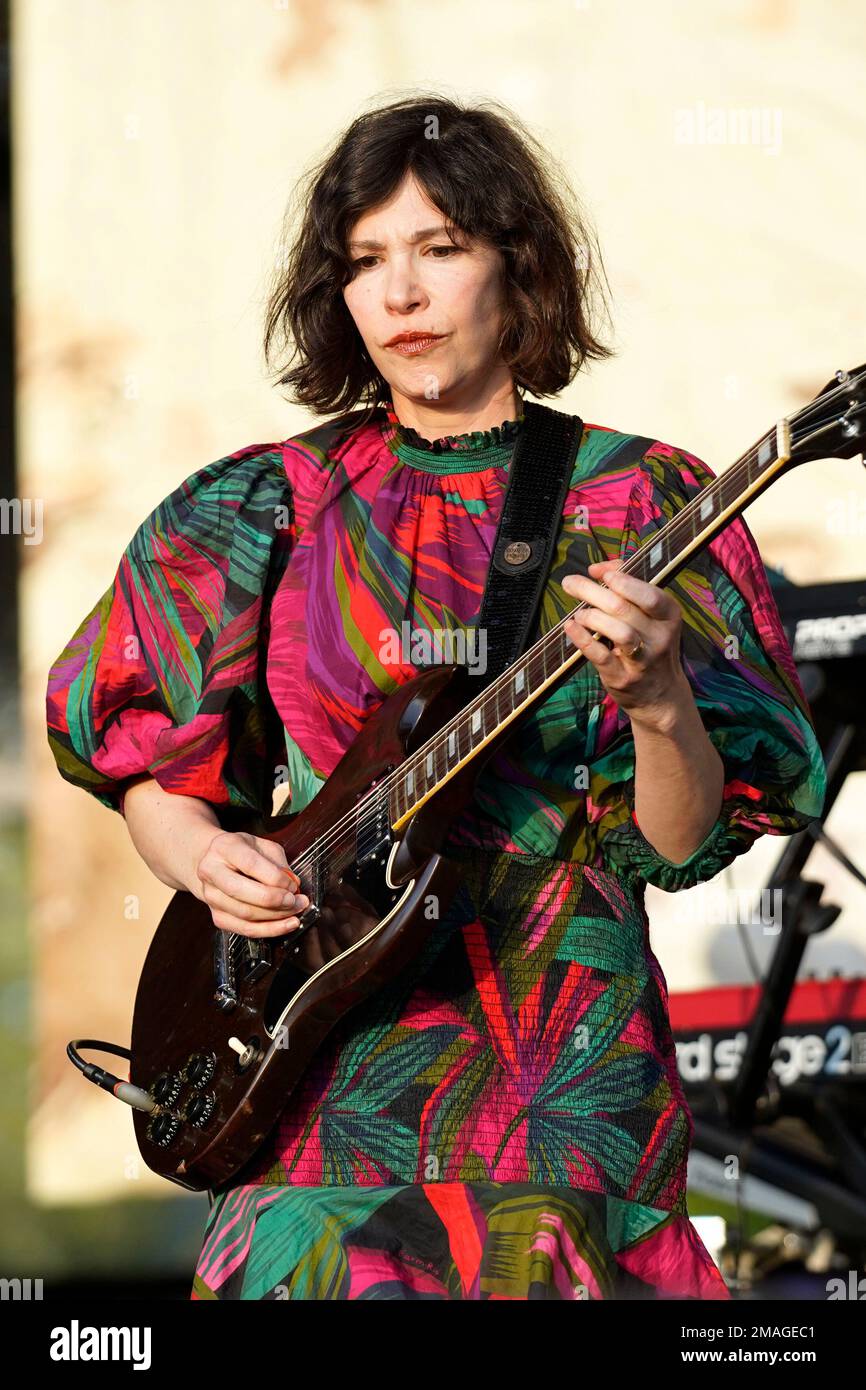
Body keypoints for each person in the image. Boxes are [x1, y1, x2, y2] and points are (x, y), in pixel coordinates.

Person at [45, 94, 826, 1300]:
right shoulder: (266, 506)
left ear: (518, 268)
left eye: (439, 248)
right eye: (365, 261)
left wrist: (662, 696)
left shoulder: (640, 501)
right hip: (315, 1107)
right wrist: (203, 856)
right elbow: (150, 772)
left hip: (566, 1098)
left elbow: (676, 847)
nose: (398, 295)